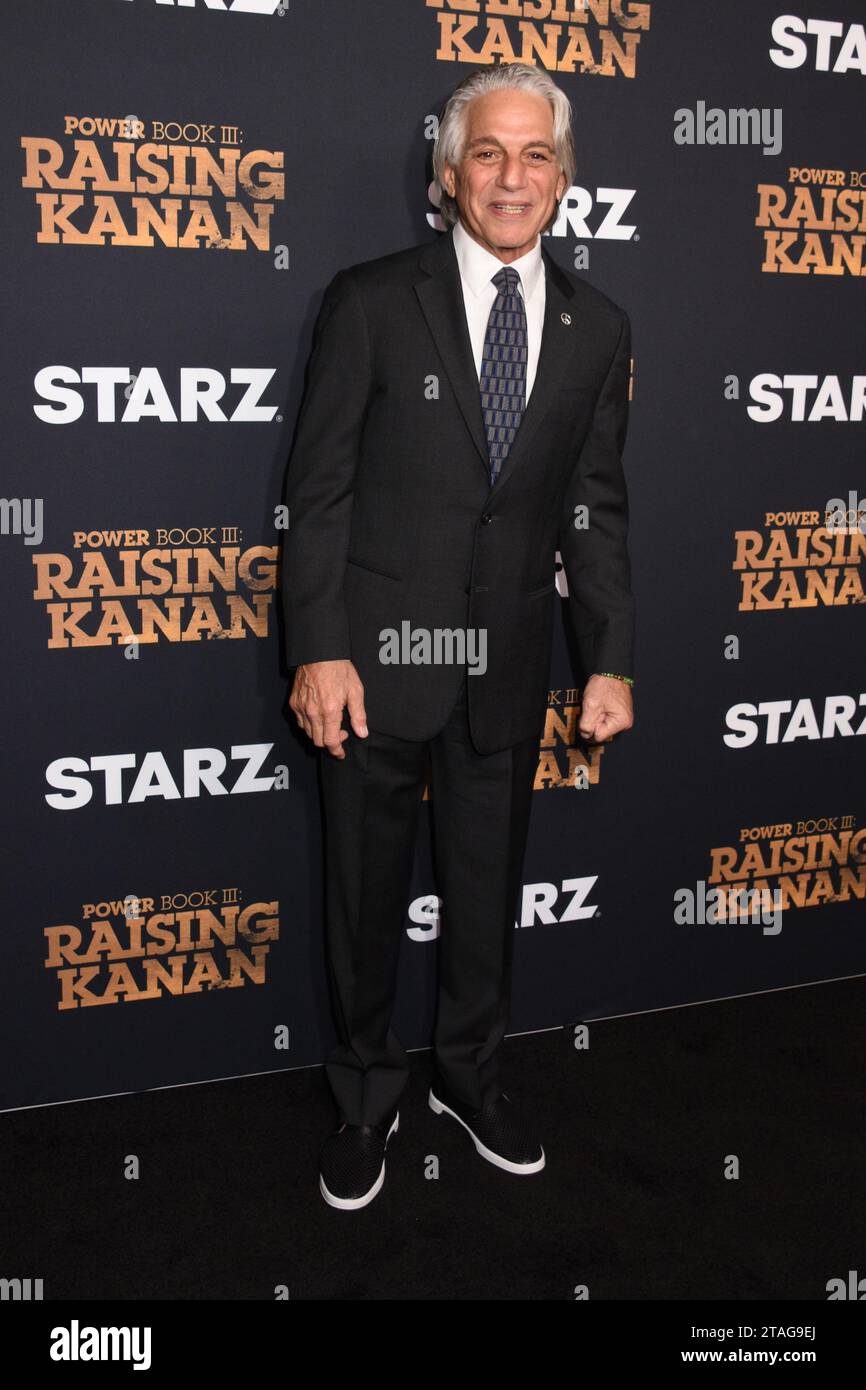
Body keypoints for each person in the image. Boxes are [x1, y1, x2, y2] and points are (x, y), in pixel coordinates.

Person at [281, 61, 636, 1210]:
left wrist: (610, 656)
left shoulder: (597, 327)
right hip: (373, 668)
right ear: (446, 173)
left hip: (506, 663)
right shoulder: (371, 299)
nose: (511, 176)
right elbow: (318, 490)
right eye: (488, 152)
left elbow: (595, 505)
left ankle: (469, 1079)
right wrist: (316, 646)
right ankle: (365, 1095)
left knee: (485, 892)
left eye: (536, 155)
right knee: (361, 896)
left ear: (565, 176)